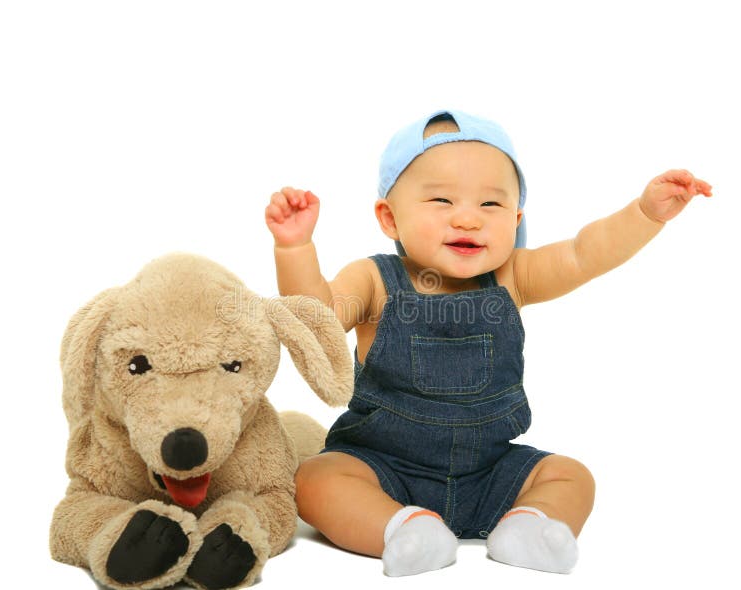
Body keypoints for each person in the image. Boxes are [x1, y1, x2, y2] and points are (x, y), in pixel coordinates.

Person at [264, 110, 712, 576]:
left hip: (490, 474)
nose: (467, 219)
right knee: (316, 478)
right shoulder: (375, 279)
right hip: (382, 468)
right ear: (389, 217)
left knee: (571, 475)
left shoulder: (512, 276)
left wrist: (643, 214)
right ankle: (402, 528)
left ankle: (525, 526)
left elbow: (583, 254)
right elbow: (315, 321)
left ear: (516, 217)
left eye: (491, 206)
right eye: (441, 200)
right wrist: (295, 248)